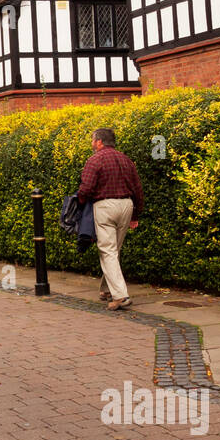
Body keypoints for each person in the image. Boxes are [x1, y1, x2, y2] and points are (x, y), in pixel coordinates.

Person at [76, 127, 144, 311]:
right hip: (127, 206)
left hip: (105, 206)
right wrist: (135, 215)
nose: (92, 143)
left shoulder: (95, 160)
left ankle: (120, 295)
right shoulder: (126, 160)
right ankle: (106, 289)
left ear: (99, 142)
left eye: (92, 140)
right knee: (114, 249)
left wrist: (81, 202)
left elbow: (86, 188)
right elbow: (138, 189)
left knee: (108, 250)